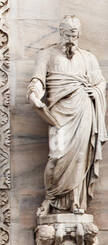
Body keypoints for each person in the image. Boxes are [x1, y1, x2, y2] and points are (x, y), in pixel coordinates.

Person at [29, 15, 106, 216]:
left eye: (74, 35)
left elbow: (100, 82)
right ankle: (51, 198)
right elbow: (38, 80)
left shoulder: (88, 58)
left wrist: (96, 91)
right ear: (60, 33)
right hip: (58, 114)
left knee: (80, 156)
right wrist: (34, 95)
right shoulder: (47, 54)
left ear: (78, 34)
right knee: (57, 155)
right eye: (67, 34)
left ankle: (75, 201)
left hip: (83, 111)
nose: (71, 39)